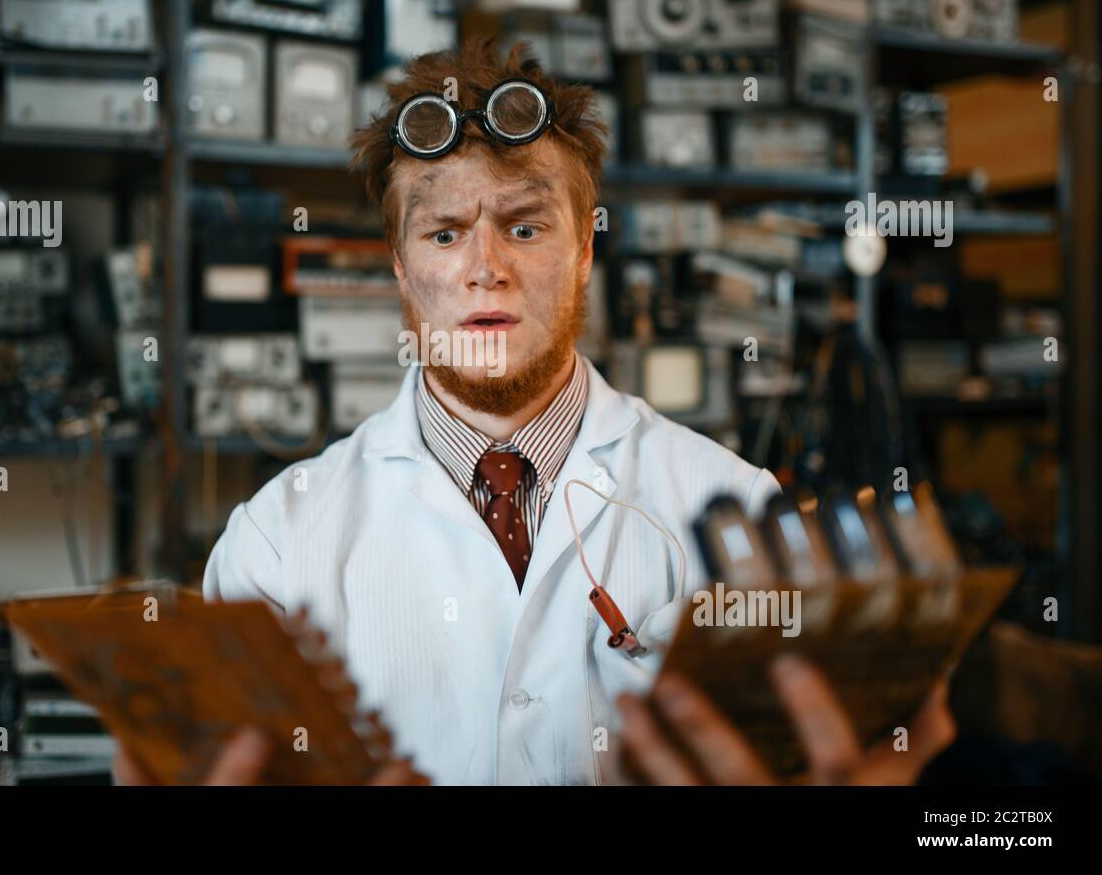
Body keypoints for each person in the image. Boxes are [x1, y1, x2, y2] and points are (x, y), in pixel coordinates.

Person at [115, 38, 954, 785]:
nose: (485, 267)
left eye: (524, 227)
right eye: (443, 234)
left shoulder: (728, 507)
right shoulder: (276, 542)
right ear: (403, 272)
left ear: (586, 249)